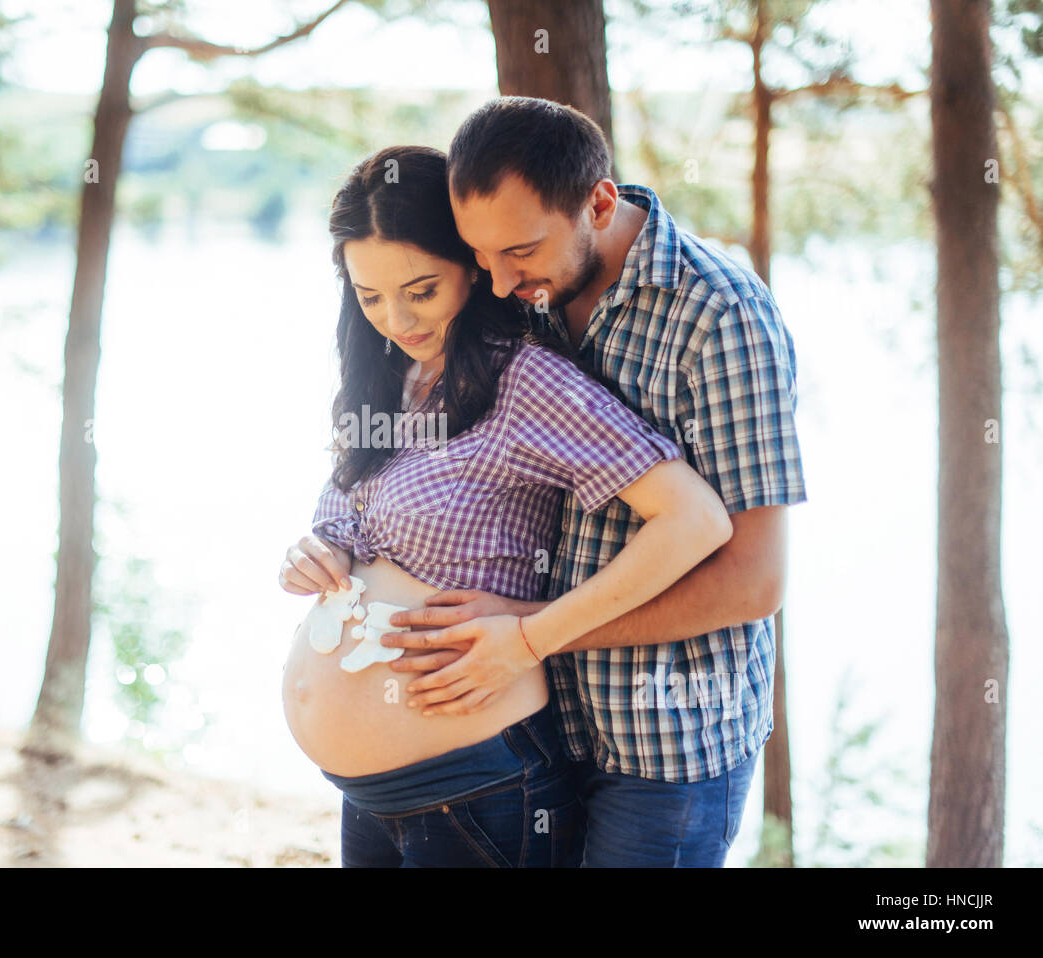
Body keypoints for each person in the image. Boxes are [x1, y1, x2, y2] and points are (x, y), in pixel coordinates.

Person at [380, 97, 809, 867]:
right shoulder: (522, 296)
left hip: (668, 747)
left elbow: (754, 581)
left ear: (599, 202)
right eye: (482, 255)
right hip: (540, 725)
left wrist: (536, 631)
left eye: (521, 251)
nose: (502, 282)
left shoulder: (721, 315)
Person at [278, 145, 734, 867]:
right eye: (370, 297)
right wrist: (322, 548)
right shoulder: (389, 376)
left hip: (478, 784)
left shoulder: (524, 381)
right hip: (370, 792)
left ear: (471, 265)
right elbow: (360, 515)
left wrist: (531, 638)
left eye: (420, 289)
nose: (395, 318)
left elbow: (696, 520)